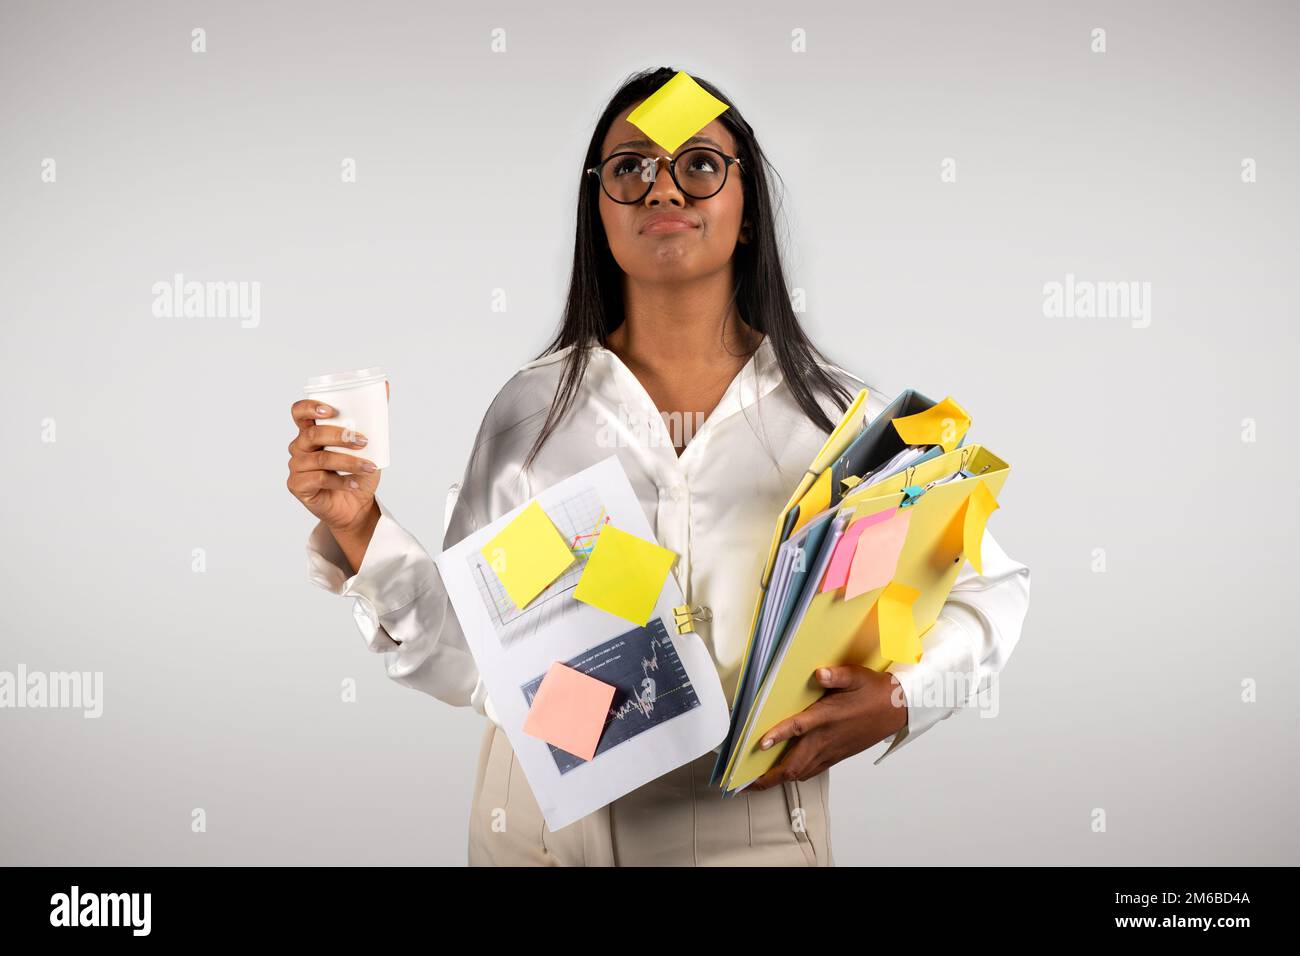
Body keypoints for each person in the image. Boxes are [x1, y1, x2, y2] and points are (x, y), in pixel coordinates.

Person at [286, 67, 1031, 866]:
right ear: (598, 212)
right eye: (631, 167)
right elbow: (473, 654)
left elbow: (989, 585)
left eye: (699, 164)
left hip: (750, 824)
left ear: (747, 214)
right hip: (537, 825)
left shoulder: (846, 427)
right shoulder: (528, 415)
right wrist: (359, 526)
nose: (663, 191)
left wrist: (900, 698)